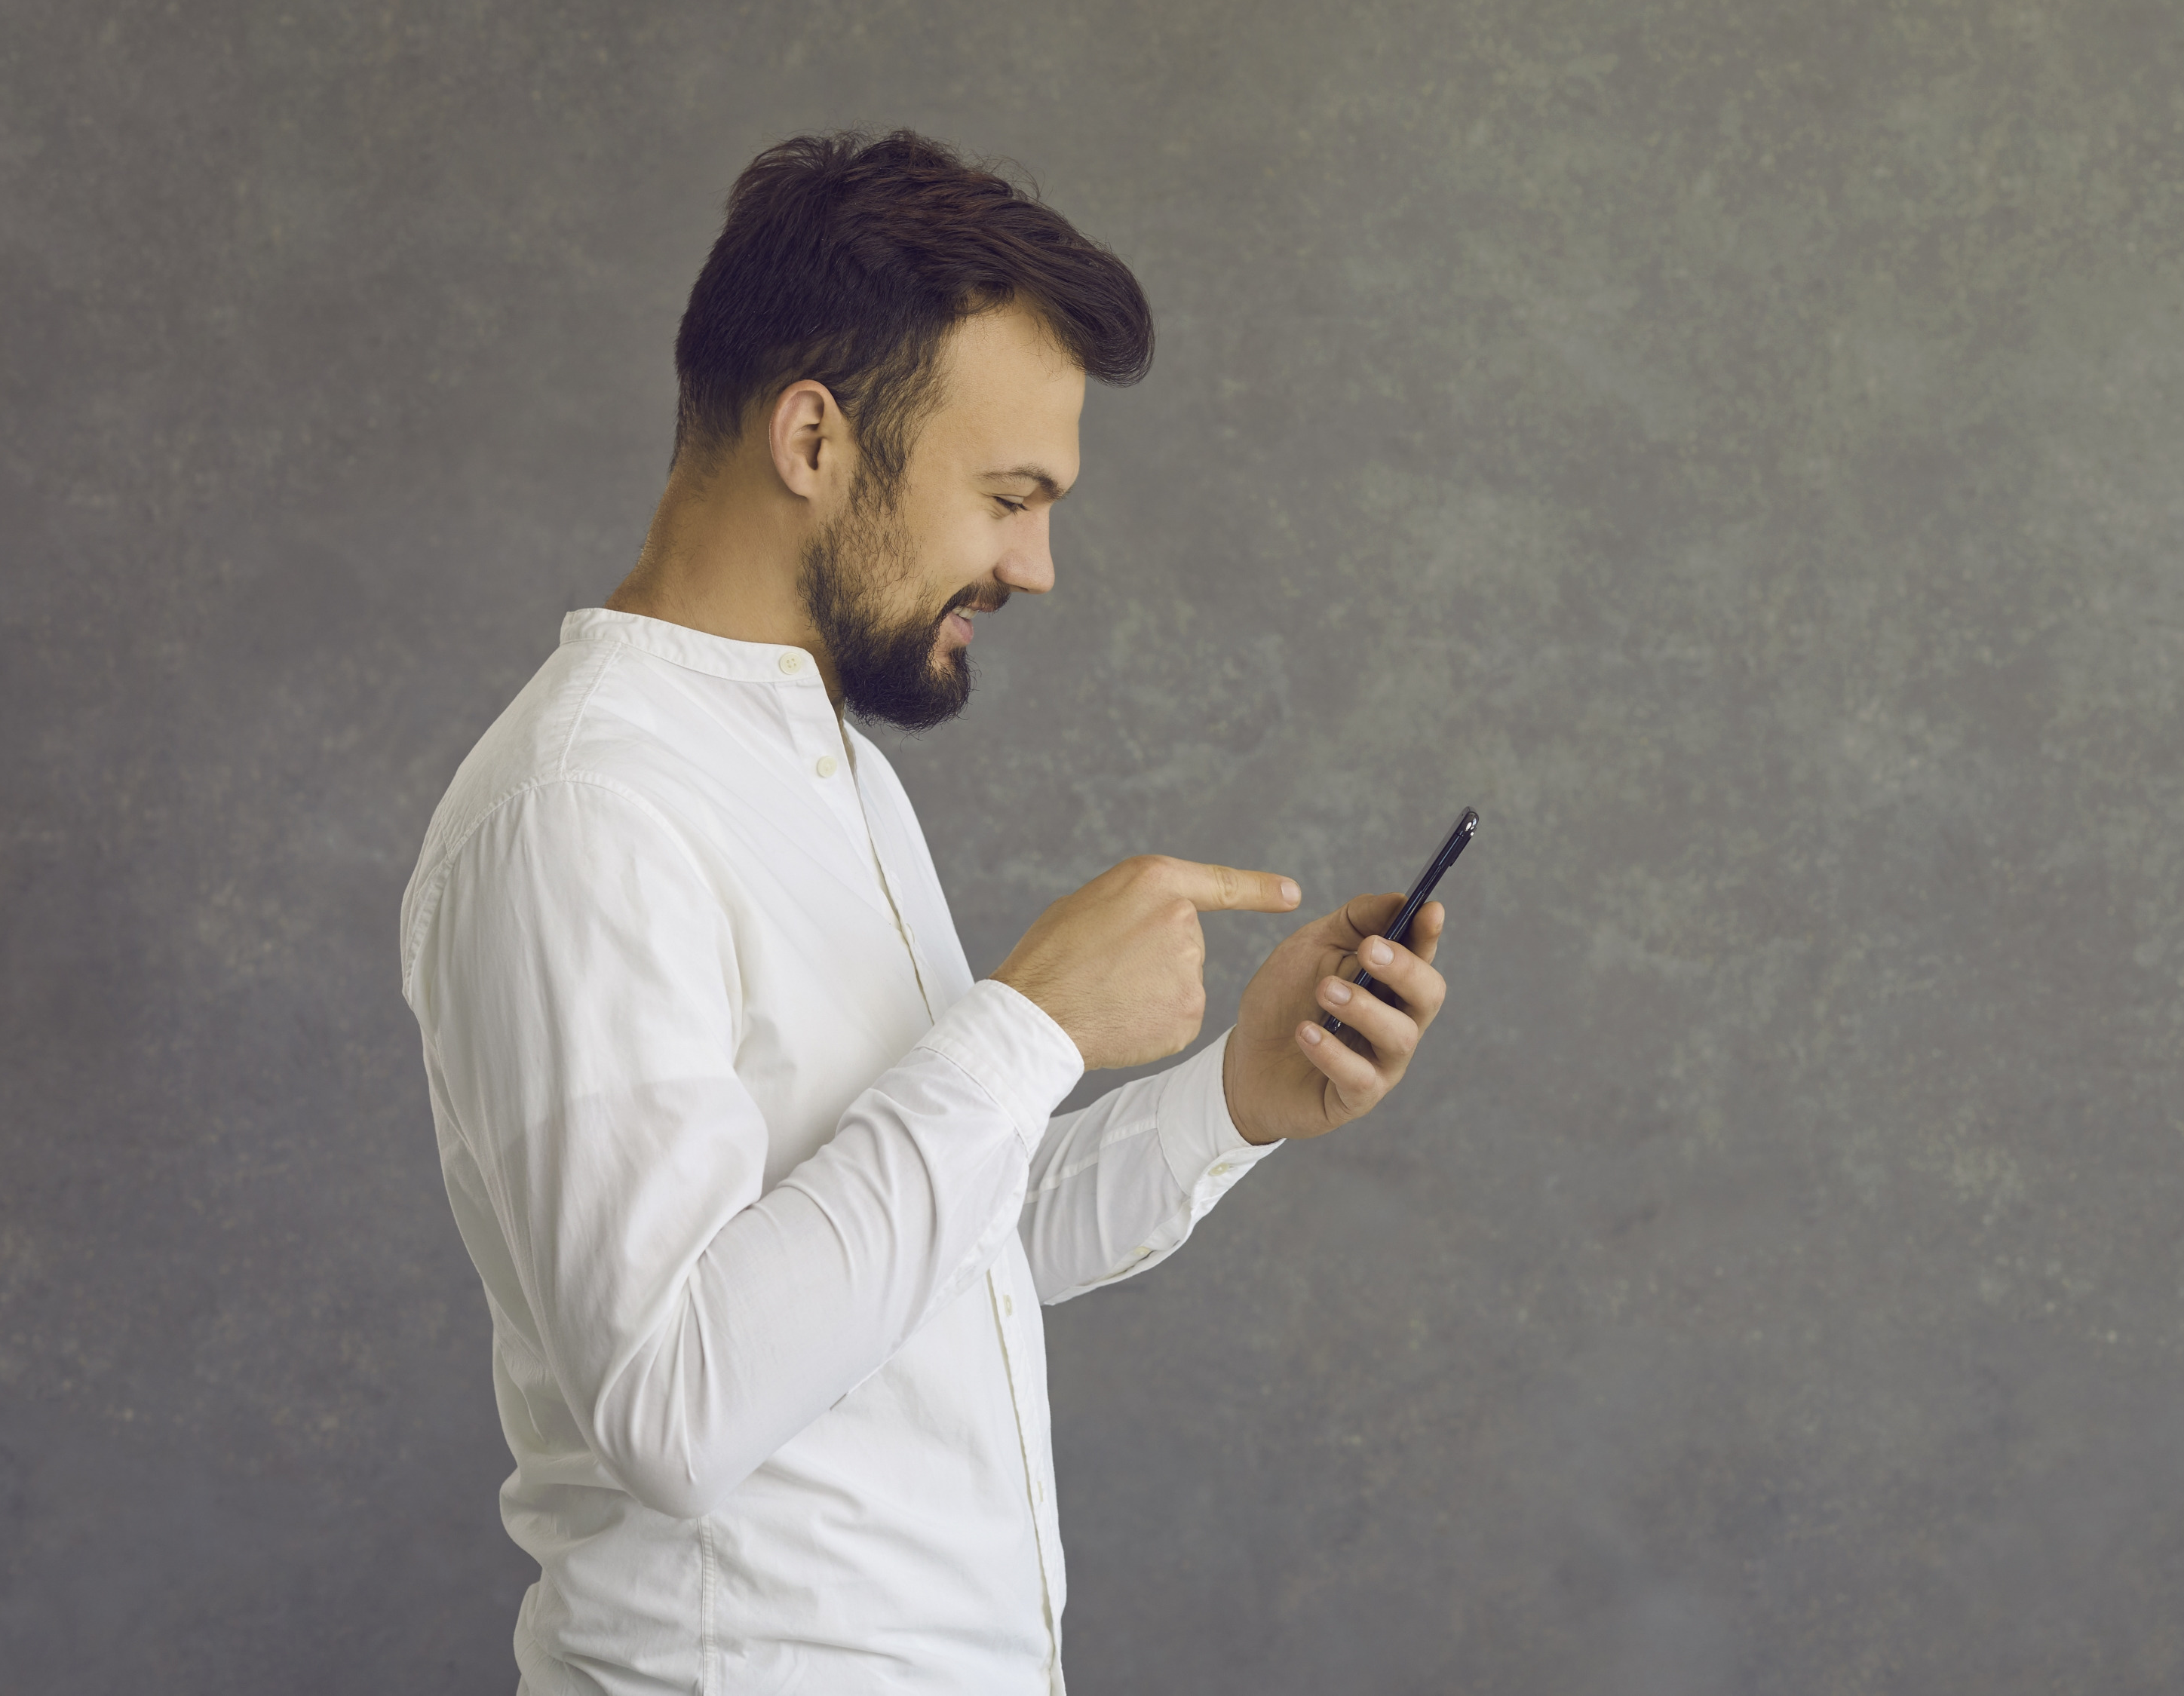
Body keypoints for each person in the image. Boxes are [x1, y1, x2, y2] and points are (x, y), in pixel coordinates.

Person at [397, 129, 1453, 1694]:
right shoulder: (586, 810)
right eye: (1008, 494)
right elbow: (675, 1397)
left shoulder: (815, 758)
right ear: (813, 438)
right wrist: (1024, 1026)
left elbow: (914, 1254)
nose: (1035, 566)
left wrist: (1230, 1098)